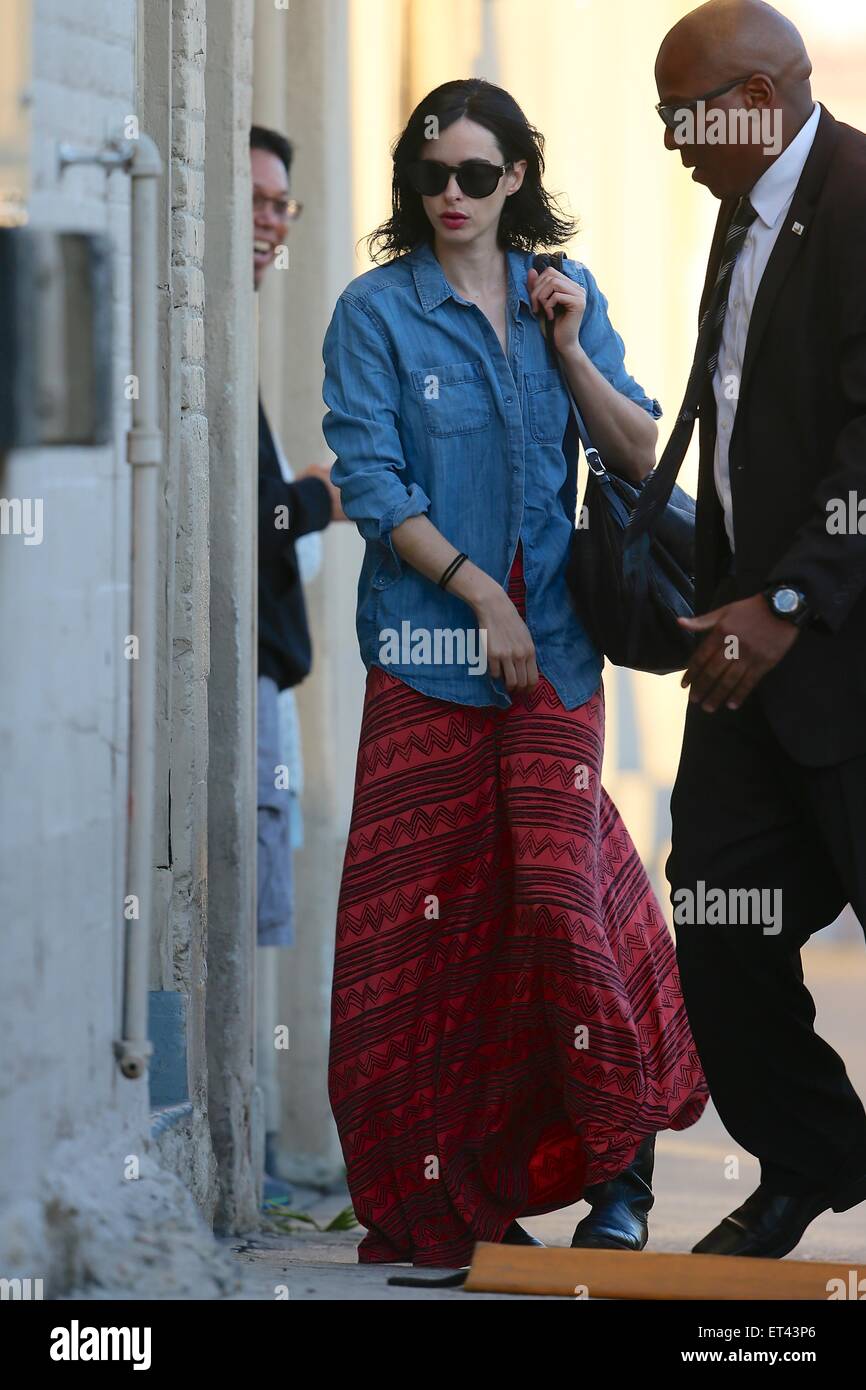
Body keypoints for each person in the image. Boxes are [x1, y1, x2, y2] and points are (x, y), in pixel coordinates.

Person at [321, 78, 708, 1268]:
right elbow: (372, 482)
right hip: (426, 658)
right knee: (410, 929)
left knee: (555, 893)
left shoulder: (564, 302)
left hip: (556, 665)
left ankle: (616, 1168)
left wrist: (566, 344)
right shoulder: (374, 312)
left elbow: (644, 452)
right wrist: (478, 594)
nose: (450, 195)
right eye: (430, 175)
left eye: (475, 176)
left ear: (515, 180)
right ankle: (435, 1194)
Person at [652, 0, 866, 1258]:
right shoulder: (736, 212)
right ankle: (811, 1160)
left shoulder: (857, 198)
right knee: (720, 917)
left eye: (680, 115)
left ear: (753, 96)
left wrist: (788, 600)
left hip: (836, 644)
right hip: (738, 661)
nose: (670, 142)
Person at [251, 124, 346, 1199]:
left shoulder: (242, 351)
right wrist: (319, 496)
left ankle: (269, 1152)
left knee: (261, 910)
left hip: (269, 683)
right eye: (258, 199)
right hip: (235, 693)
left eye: (284, 204)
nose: (273, 221)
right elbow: (243, 521)